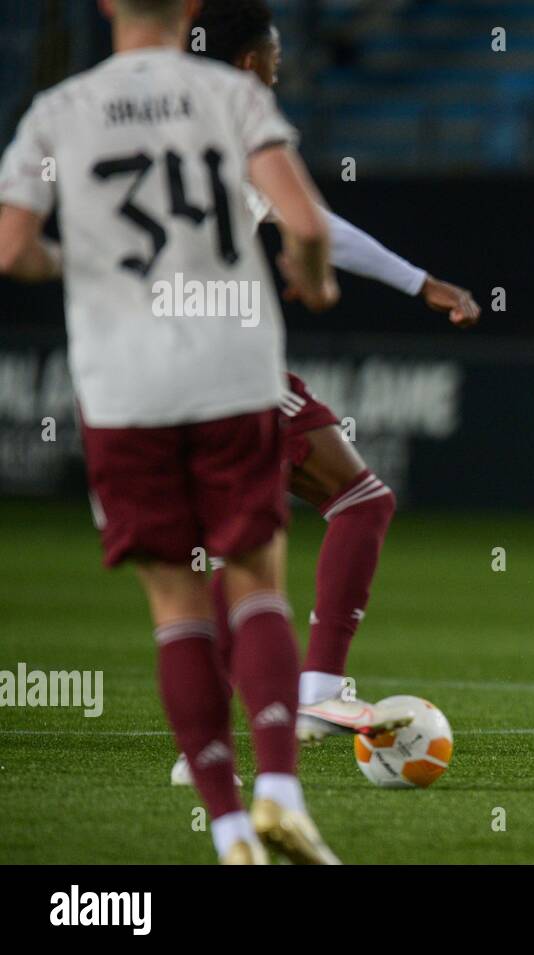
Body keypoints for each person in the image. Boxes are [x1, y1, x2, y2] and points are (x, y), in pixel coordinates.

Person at [0, 0, 346, 861]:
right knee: (255, 580)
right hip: (231, 371)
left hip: (123, 388)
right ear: (189, 7)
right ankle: (279, 789)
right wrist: (313, 281)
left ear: (106, 6)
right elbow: (302, 223)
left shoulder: (57, 110)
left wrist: (74, 260)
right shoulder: (229, 95)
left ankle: (227, 826)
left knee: (175, 607)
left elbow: (11, 252)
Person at [165, 0, 482, 790]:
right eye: (274, 57)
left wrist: (417, 281)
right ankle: (284, 705)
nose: (281, 70)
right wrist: (397, 281)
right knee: (324, 515)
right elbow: (313, 226)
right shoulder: (242, 117)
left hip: (164, 358)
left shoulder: (160, 119)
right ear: (249, 62)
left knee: (285, 525)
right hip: (223, 357)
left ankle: (231, 730)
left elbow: (313, 223)